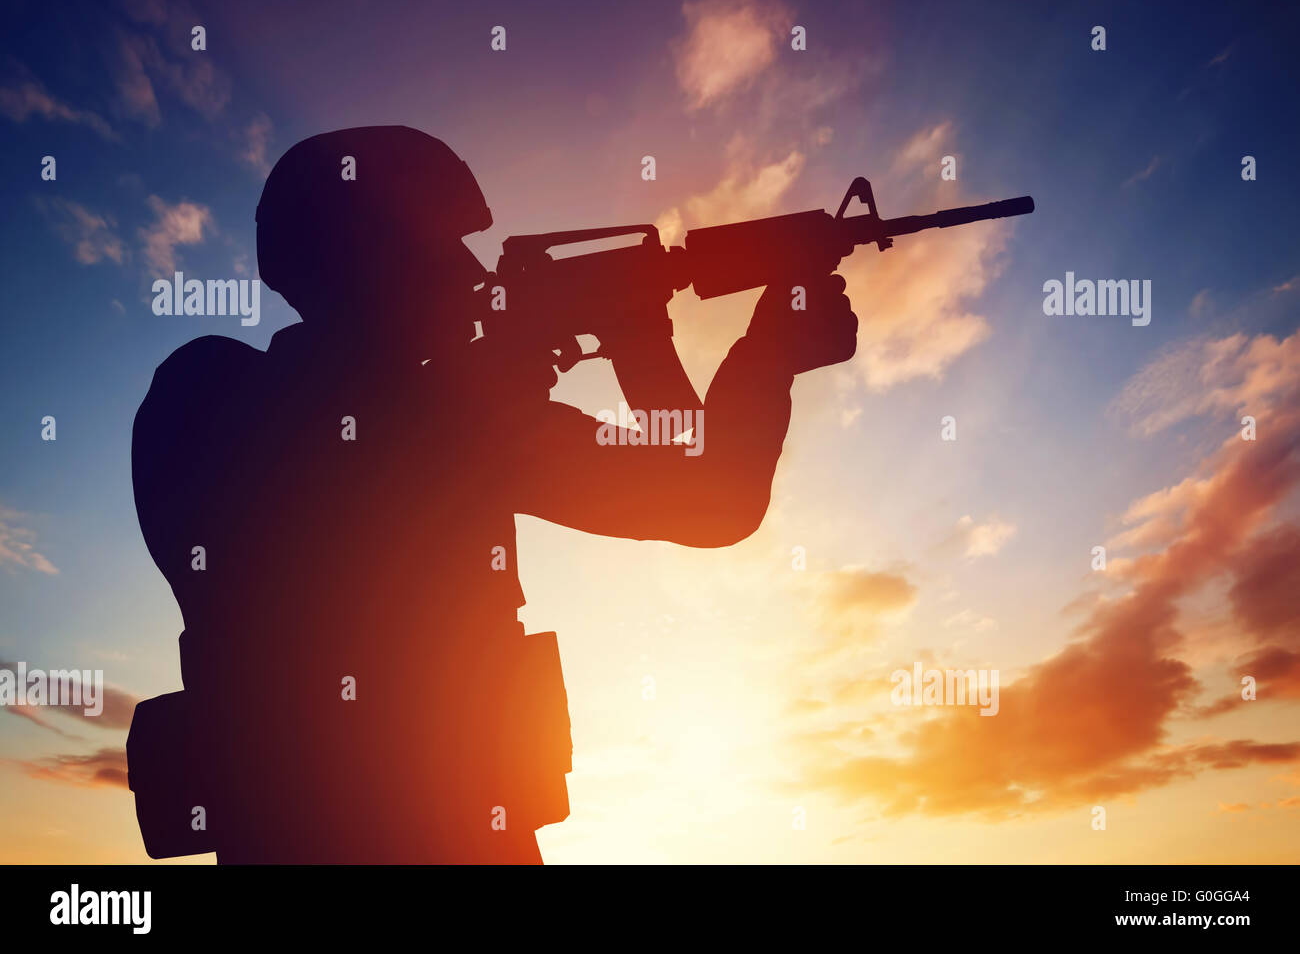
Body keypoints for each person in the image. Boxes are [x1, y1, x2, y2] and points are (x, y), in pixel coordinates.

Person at [128, 126, 856, 863]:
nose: (474, 269)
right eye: (447, 247)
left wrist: (633, 346)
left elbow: (701, 489)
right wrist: (768, 354)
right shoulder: (251, 397)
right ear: (373, 260)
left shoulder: (206, 399)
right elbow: (716, 498)